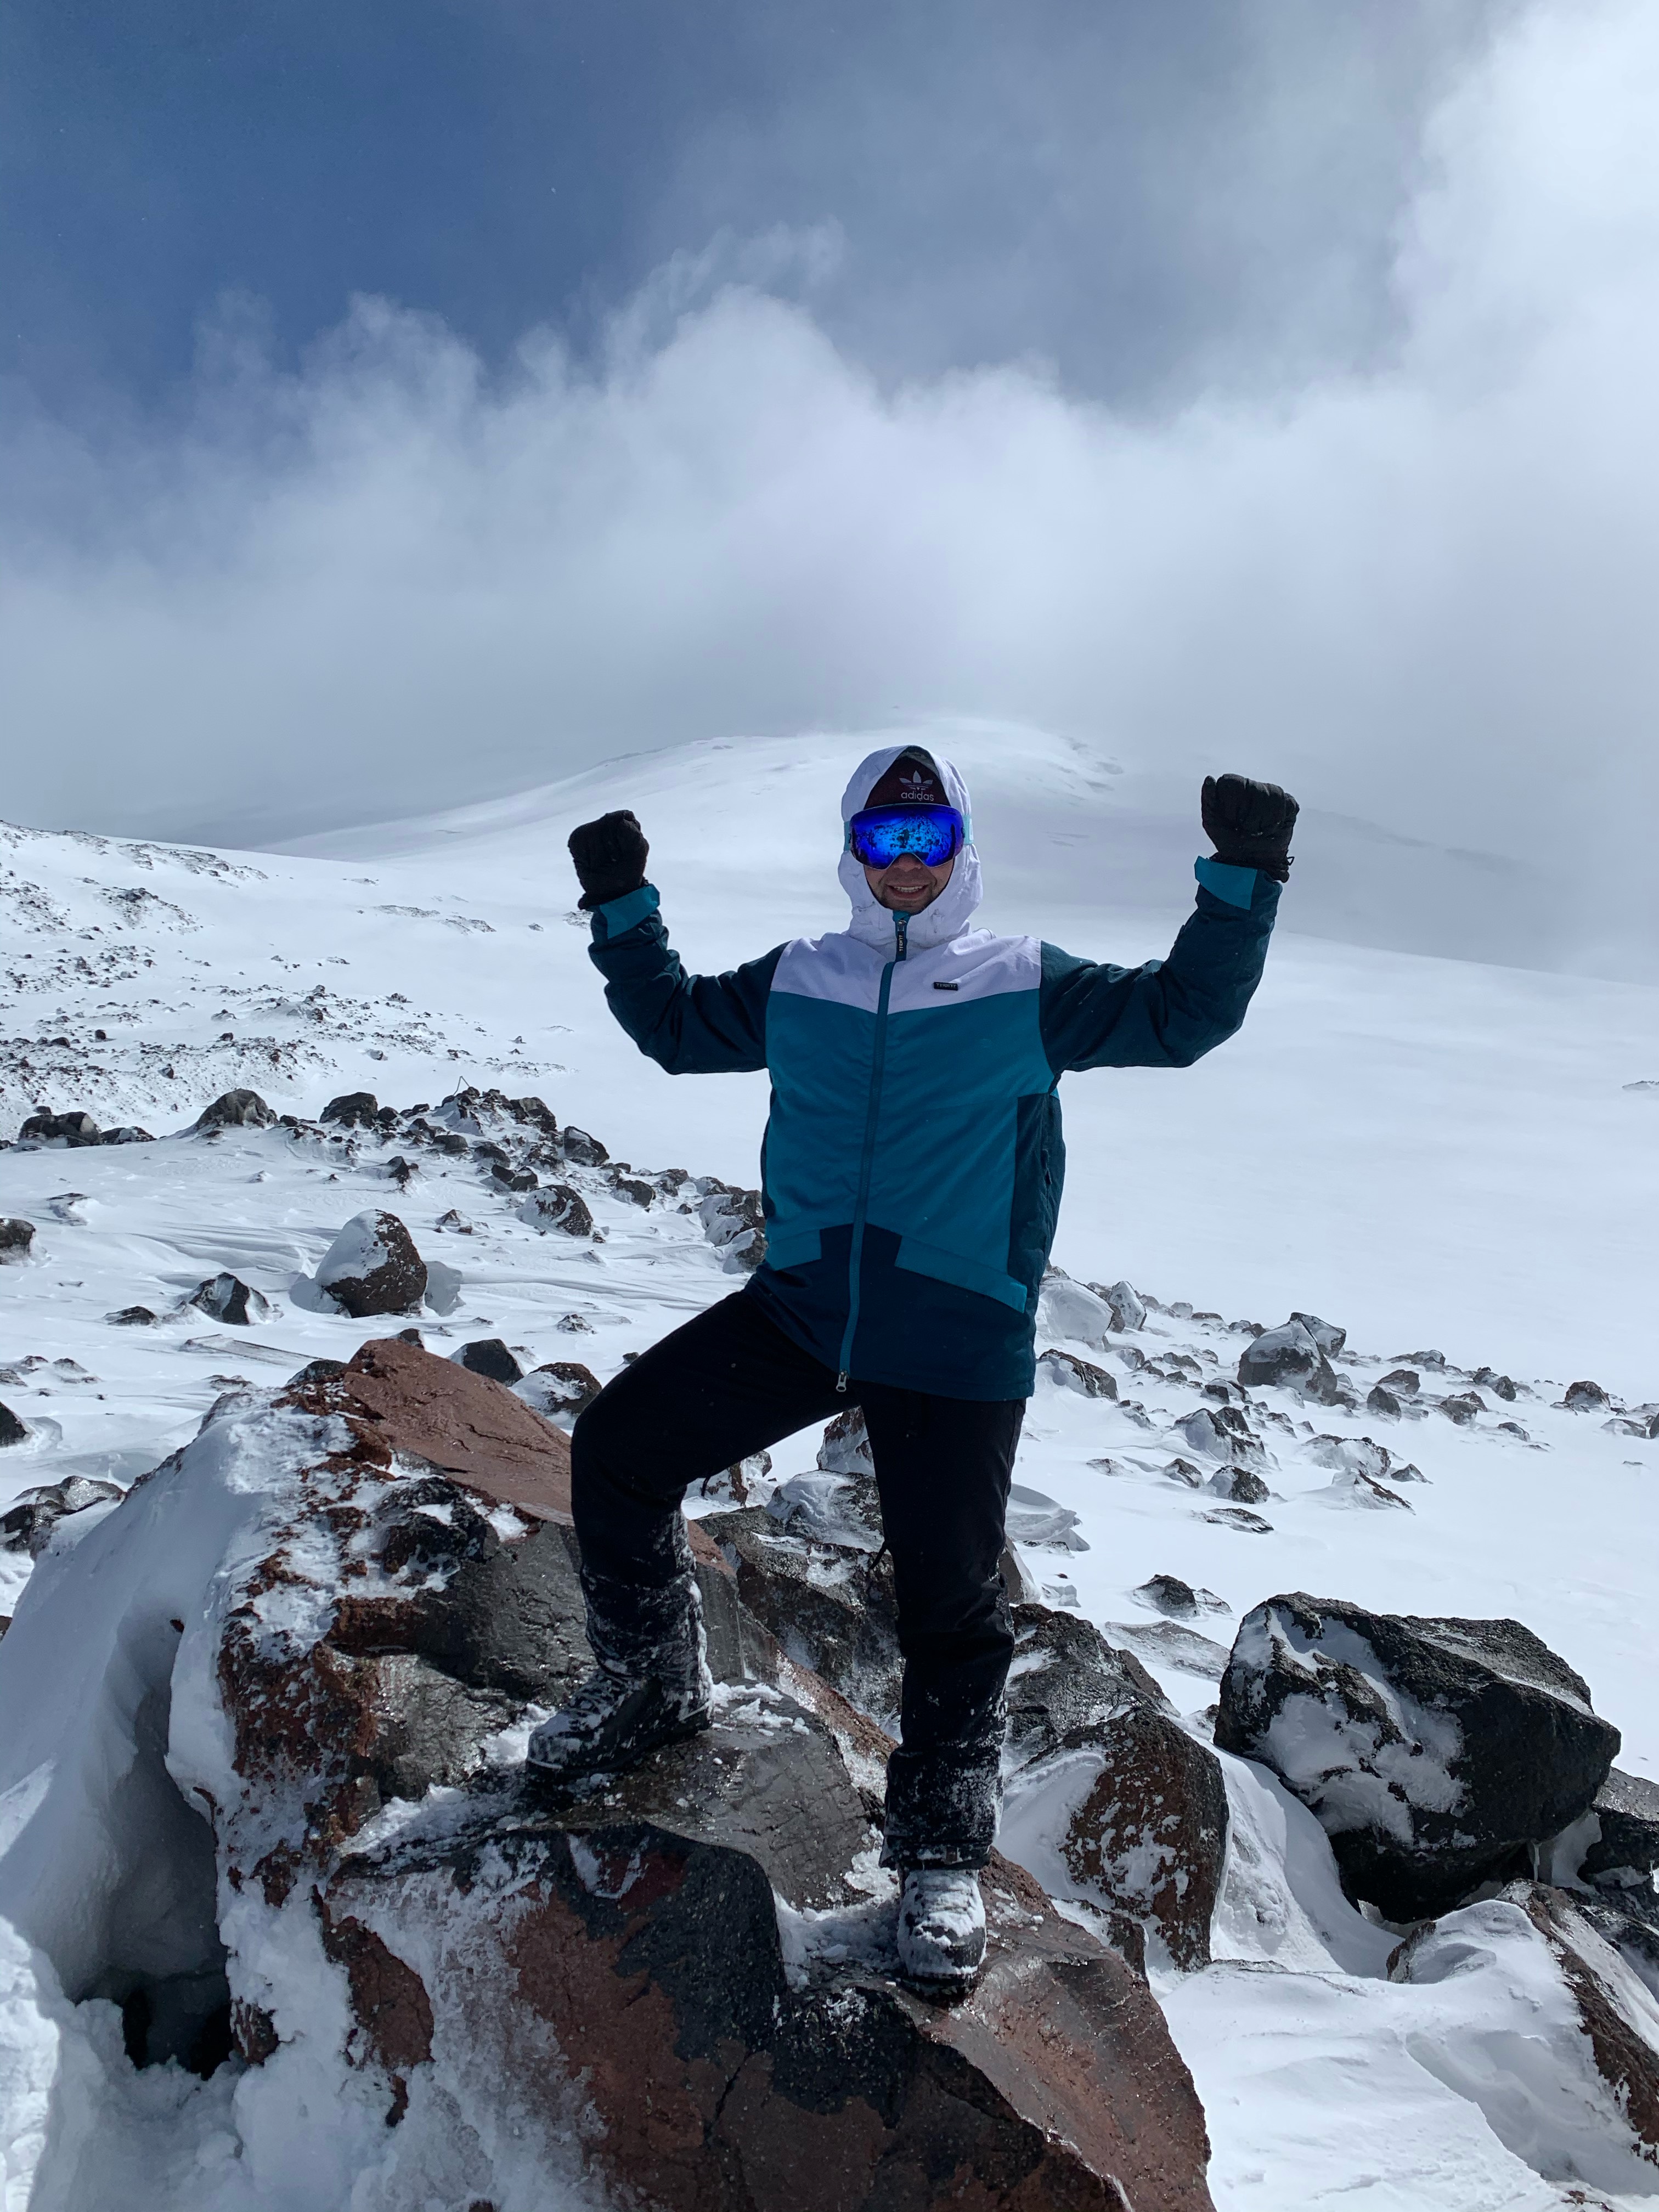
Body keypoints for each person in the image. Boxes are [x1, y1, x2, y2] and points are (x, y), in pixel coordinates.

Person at [528, 745, 1296, 1988]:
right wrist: (624, 906)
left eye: (926, 842)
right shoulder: (802, 979)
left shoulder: (1021, 982)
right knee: (619, 1449)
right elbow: (673, 1030)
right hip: (804, 1312)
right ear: (853, 852)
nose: (904, 866)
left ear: (959, 848)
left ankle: (940, 1857)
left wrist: (1242, 878)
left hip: (952, 1338)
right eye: (882, 845)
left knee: (950, 1601)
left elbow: (1183, 1017)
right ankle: (649, 1686)